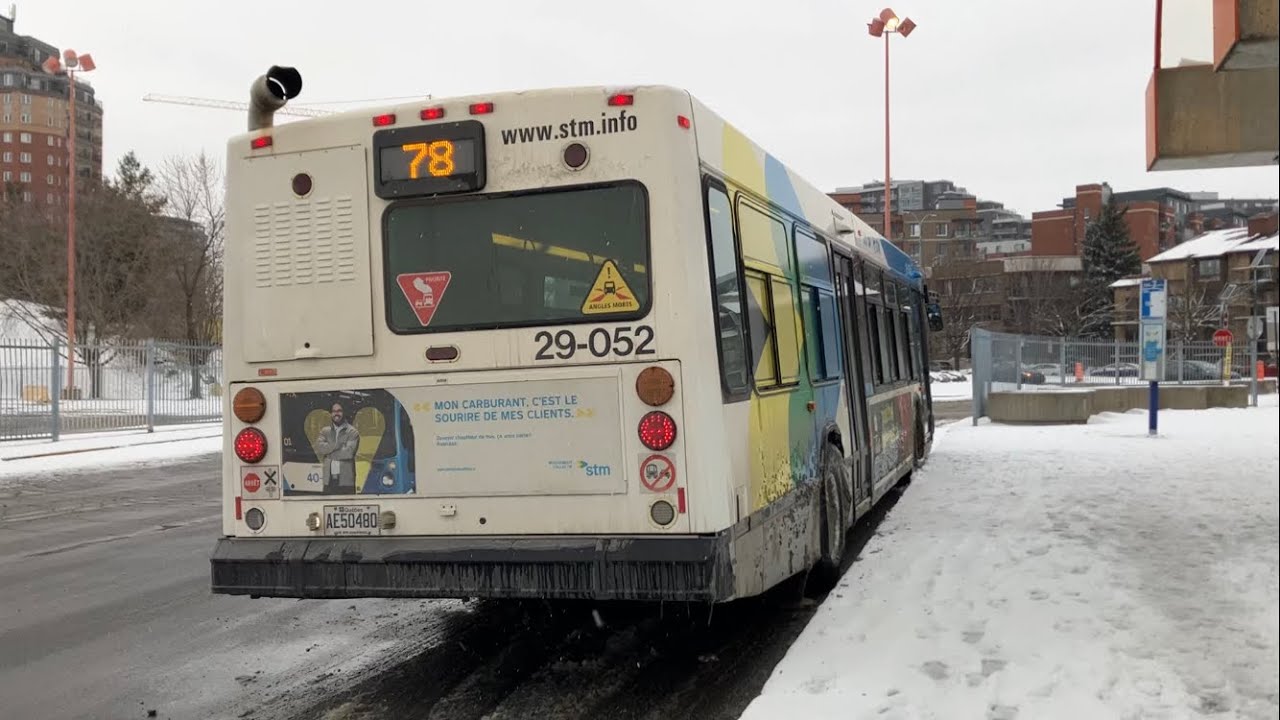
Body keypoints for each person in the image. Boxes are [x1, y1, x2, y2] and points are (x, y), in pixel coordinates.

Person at [315, 402, 360, 493]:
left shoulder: (353, 432)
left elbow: (348, 453)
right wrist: (337, 445)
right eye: (334, 411)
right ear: (331, 414)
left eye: (339, 411)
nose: (336, 414)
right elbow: (319, 448)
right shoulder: (325, 431)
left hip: (346, 482)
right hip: (328, 481)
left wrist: (328, 453)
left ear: (344, 413)